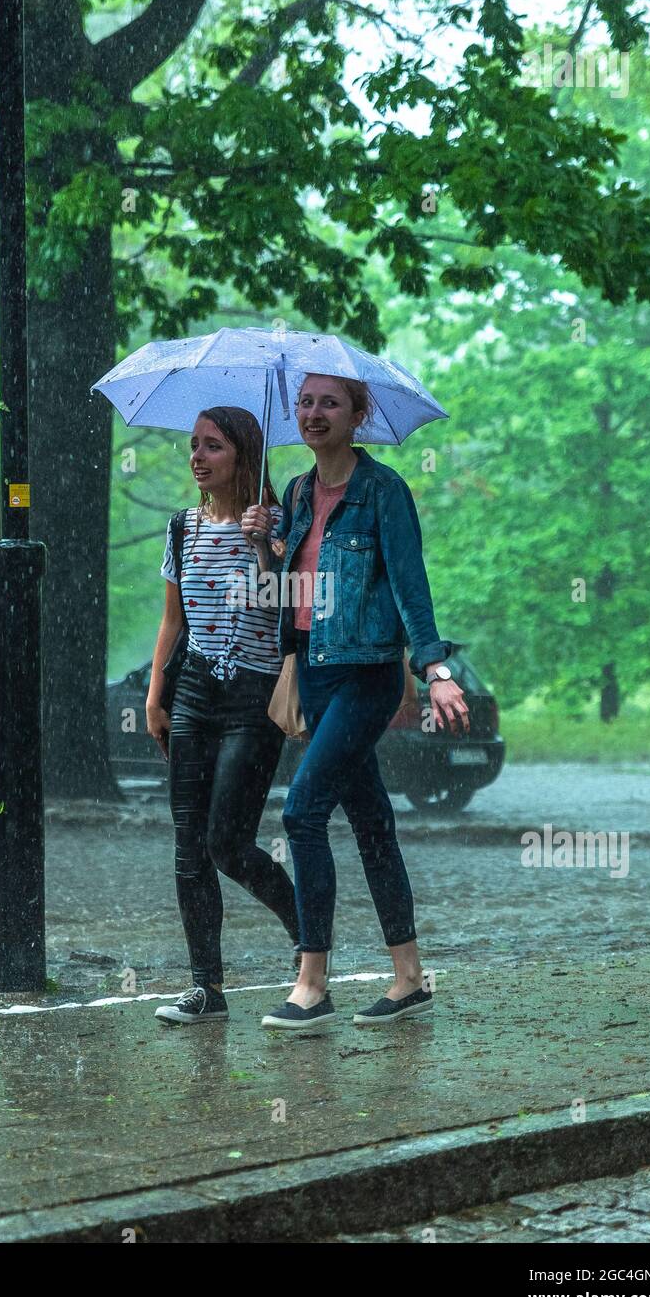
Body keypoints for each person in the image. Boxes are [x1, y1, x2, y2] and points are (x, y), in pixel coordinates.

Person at [241, 374, 469, 1030]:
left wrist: (435, 667)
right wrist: (265, 541)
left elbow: (408, 585)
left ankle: (311, 983)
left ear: (358, 414)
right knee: (371, 823)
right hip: (311, 671)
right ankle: (407, 979)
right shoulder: (295, 492)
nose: (313, 414)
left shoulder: (383, 491)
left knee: (302, 812)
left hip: (366, 673)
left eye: (329, 404)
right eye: (305, 403)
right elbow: (281, 595)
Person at [145, 406, 301, 1024]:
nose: (198, 457)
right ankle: (207, 989)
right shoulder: (181, 528)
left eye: (212, 446)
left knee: (227, 843)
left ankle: (305, 931)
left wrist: (264, 543)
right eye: (193, 445)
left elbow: (286, 603)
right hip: (194, 694)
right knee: (188, 847)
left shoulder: (279, 524)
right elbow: (172, 619)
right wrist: (157, 696)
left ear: (244, 455)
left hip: (254, 698)